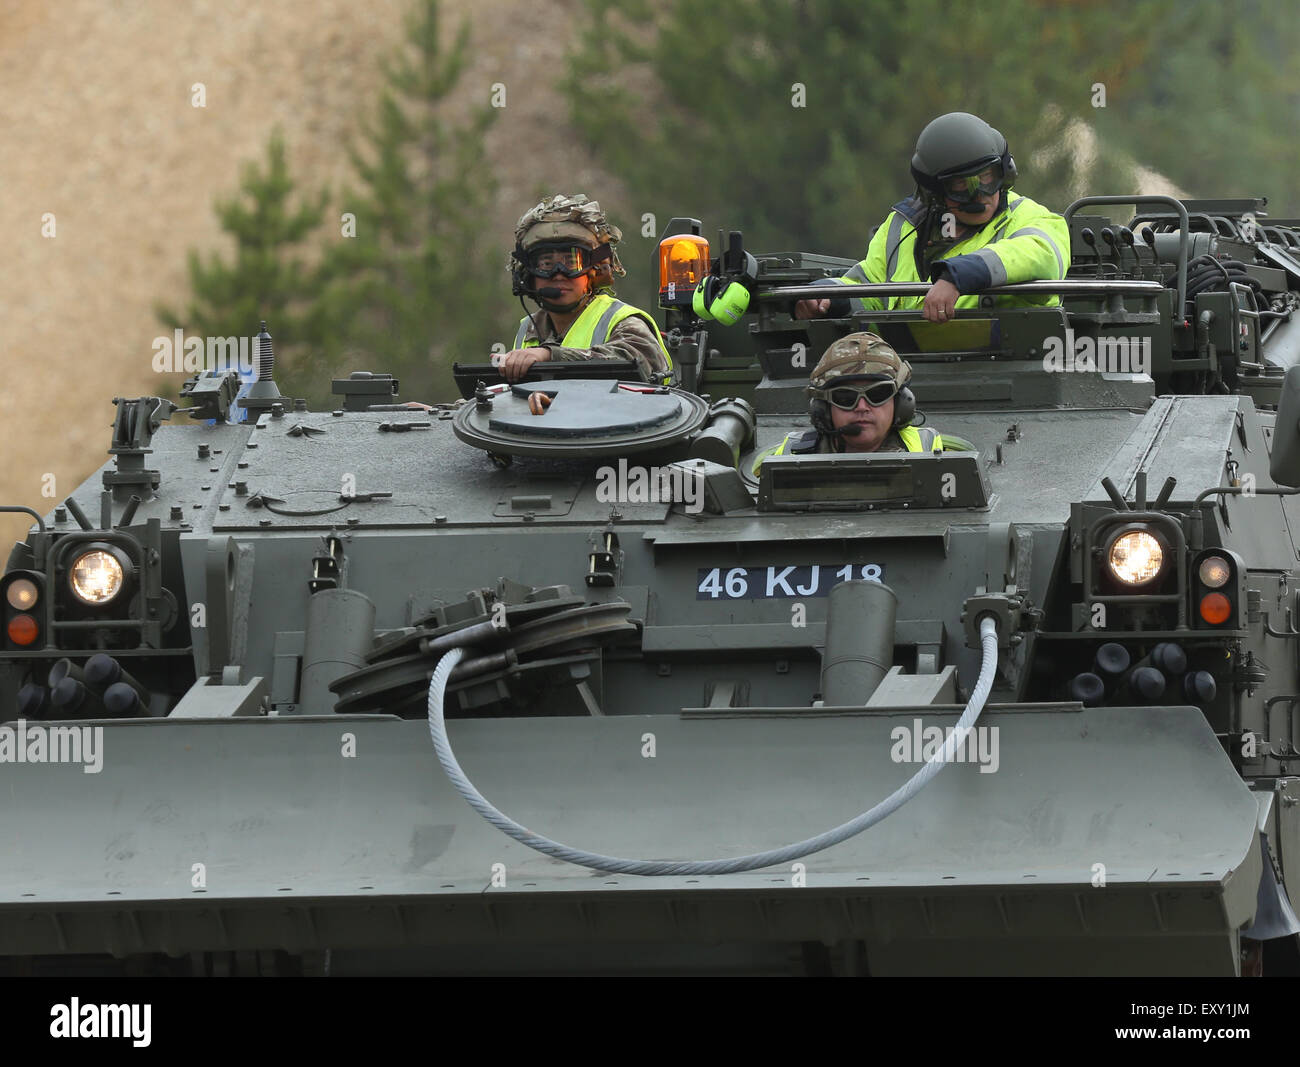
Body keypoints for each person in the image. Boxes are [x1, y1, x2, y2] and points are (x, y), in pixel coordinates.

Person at [795, 112, 1069, 325]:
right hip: (903, 375)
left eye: (986, 178)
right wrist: (827, 295)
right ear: (935, 192)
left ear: (1005, 173)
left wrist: (957, 276)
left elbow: (1042, 255)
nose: (980, 195)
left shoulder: (1031, 218)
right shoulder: (903, 226)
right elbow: (868, 287)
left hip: (1002, 368)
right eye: (961, 186)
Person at [497, 194, 672, 384]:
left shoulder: (622, 321)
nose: (559, 274)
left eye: (572, 262)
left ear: (595, 270)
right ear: (527, 275)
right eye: (546, 264)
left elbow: (638, 362)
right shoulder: (528, 330)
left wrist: (550, 356)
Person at [751, 332, 972, 474]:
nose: (862, 407)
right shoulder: (788, 457)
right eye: (845, 397)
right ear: (823, 409)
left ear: (901, 403)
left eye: (877, 394)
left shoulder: (930, 452)